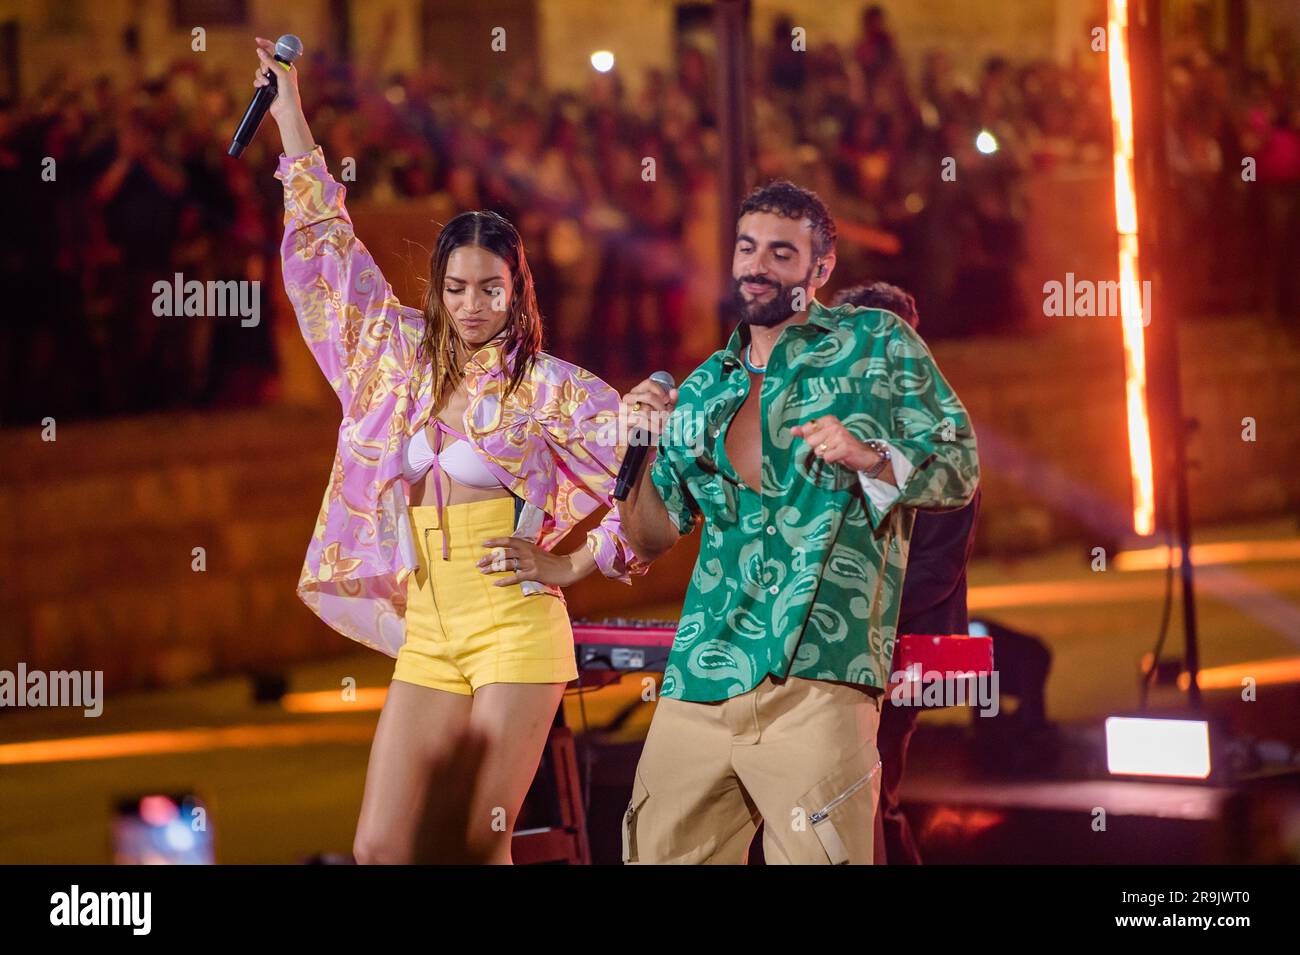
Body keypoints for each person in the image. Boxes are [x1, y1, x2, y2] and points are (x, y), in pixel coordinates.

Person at [254, 38, 646, 864]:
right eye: (457, 288)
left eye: (491, 289)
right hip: (429, 628)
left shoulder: (553, 389)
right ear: (435, 289)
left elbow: (659, 479)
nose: (472, 305)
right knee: (380, 847)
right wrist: (290, 113)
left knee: (478, 842)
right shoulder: (391, 357)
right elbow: (327, 246)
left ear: (517, 291)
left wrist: (576, 565)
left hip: (515, 628)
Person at [617, 180, 980, 864]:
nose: (757, 265)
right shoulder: (704, 387)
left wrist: (871, 458)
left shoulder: (875, 344)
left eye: (781, 253)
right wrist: (638, 449)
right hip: (699, 679)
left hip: (821, 680)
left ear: (821, 267)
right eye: (748, 247)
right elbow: (651, 535)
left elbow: (959, 467)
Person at [832, 281, 981, 865]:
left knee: (873, 796)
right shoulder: (828, 427)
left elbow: (937, 567)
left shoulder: (941, 440)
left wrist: (848, 607)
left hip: (899, 649)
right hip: (836, 649)